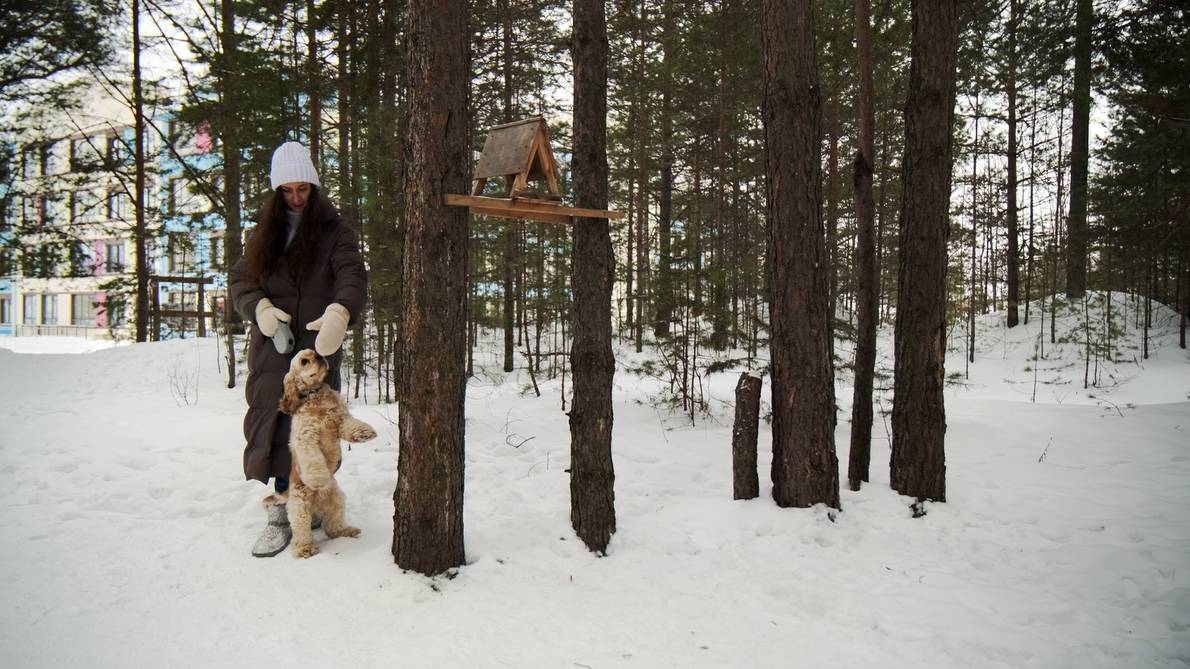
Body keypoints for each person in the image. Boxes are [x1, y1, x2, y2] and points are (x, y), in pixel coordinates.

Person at [230, 141, 367, 557]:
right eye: (286, 190)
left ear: (314, 187)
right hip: (274, 351)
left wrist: (341, 312)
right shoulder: (263, 234)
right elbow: (240, 282)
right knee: (275, 427)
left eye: (302, 189)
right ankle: (281, 510)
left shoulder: (335, 232)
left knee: (321, 429)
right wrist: (261, 309)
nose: (295, 197)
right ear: (277, 192)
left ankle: (317, 500)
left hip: (318, 348)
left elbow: (352, 275)